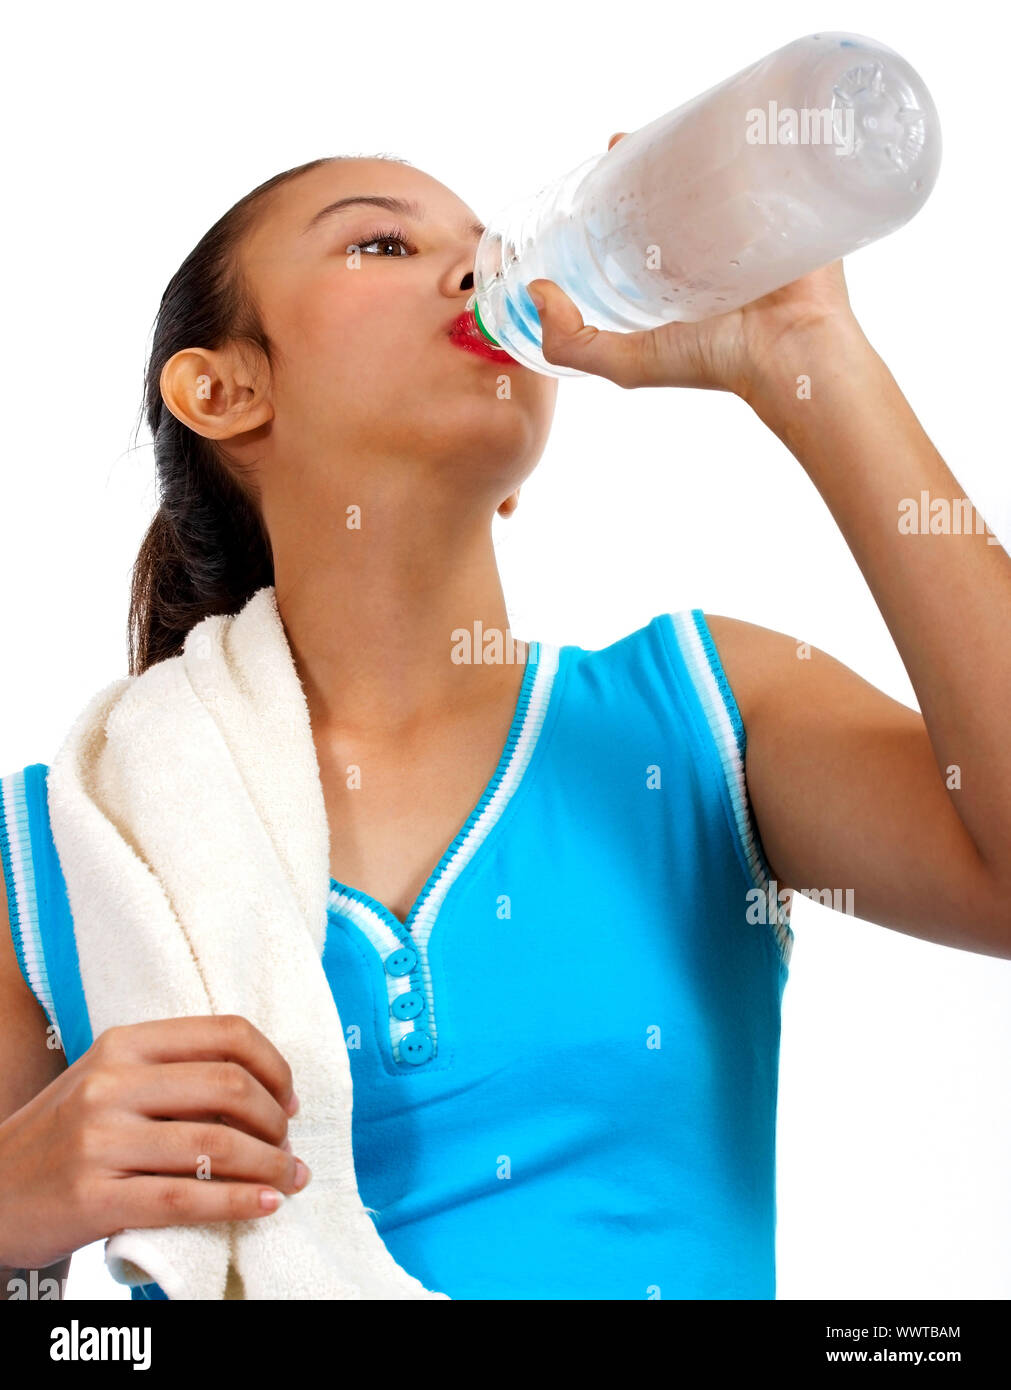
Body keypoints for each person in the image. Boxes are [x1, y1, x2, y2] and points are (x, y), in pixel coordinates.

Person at [1, 140, 1008, 1301]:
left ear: (519, 468)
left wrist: (811, 355)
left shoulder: (704, 714)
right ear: (221, 390)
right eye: (384, 241)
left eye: (487, 248)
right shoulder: (71, 843)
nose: (479, 274)